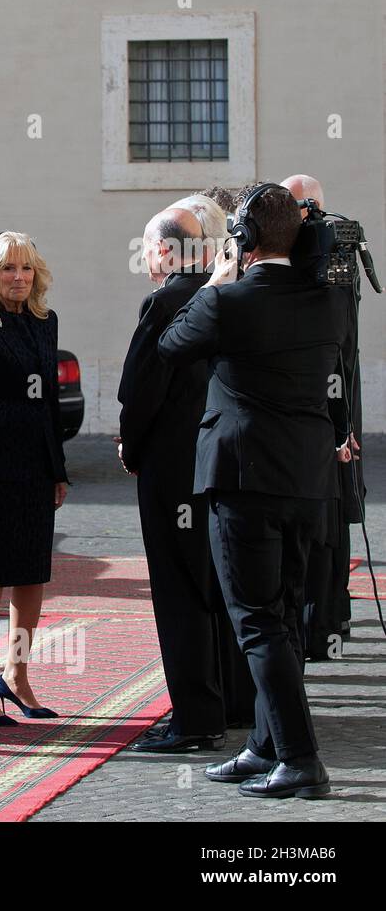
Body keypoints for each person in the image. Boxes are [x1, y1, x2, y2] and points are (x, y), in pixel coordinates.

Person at [160, 182, 352, 799]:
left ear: (241, 240)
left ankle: (300, 759)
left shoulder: (227, 302)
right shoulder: (329, 303)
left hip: (243, 479)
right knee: (287, 617)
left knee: (257, 622)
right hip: (306, 479)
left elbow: (173, 342)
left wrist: (218, 275)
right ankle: (265, 745)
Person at [118, 209, 231, 752]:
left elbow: (139, 389)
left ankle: (195, 719)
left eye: (146, 248)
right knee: (217, 583)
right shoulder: (226, 294)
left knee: (179, 592)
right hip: (220, 463)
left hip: (171, 466)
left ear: (164, 252)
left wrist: (130, 448)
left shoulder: (165, 301)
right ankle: (231, 704)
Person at [0, 232, 68, 725]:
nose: (18, 277)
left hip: (35, 470)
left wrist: (57, 470)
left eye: (25, 268)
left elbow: (48, 405)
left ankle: (16, 674)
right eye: (8, 269)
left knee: (31, 578)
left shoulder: (45, 322)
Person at [282, 174, 360, 661]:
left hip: (322, 418)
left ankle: (323, 623)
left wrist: (343, 424)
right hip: (310, 424)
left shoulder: (333, 263)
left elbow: (342, 352)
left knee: (328, 528)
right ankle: (321, 622)